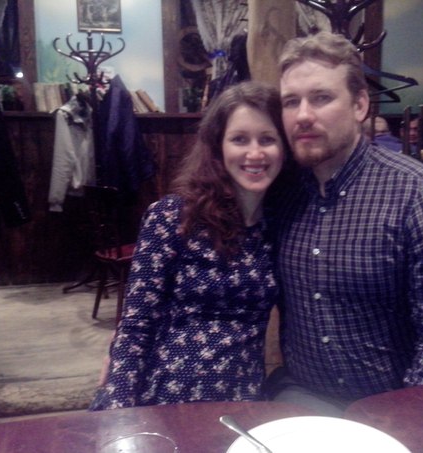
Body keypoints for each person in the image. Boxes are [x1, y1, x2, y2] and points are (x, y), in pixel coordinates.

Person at [267, 31, 423, 416]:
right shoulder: (280, 190)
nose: (303, 115)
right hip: (301, 398)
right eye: (291, 102)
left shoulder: (417, 192)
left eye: (321, 97)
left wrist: (408, 416)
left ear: (360, 105)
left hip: (392, 404)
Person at [89, 80, 289, 410]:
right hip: (161, 400)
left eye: (267, 139)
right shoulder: (171, 217)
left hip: (242, 404)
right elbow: (136, 326)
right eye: (239, 139)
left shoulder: (281, 224)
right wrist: (118, 411)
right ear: (218, 146)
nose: (255, 153)